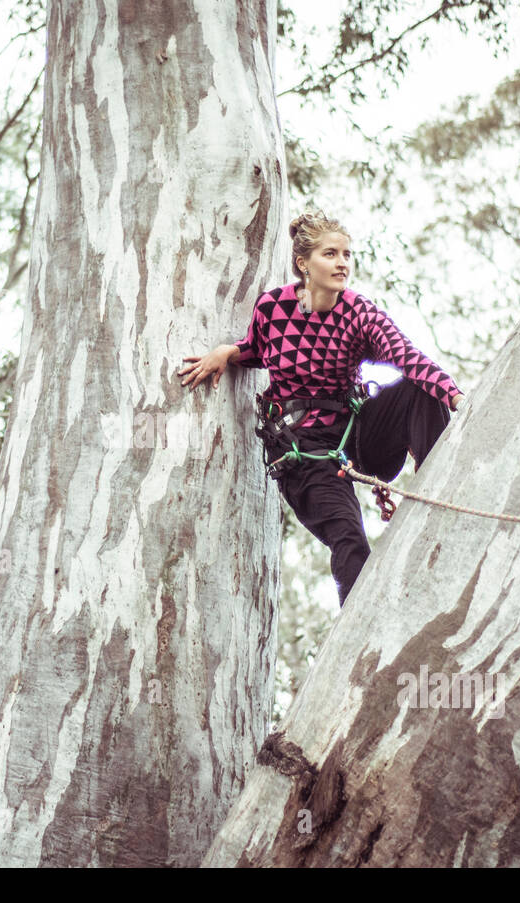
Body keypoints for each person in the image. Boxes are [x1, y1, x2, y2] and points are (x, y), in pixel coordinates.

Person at [178, 211, 465, 607]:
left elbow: (406, 357)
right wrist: (227, 352)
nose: (342, 262)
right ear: (303, 264)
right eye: (330, 254)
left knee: (421, 389)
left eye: (347, 254)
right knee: (349, 538)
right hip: (304, 454)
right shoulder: (272, 308)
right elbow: (257, 350)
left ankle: (436, 490)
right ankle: (359, 630)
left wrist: (456, 397)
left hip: (356, 438)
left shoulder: (360, 313)